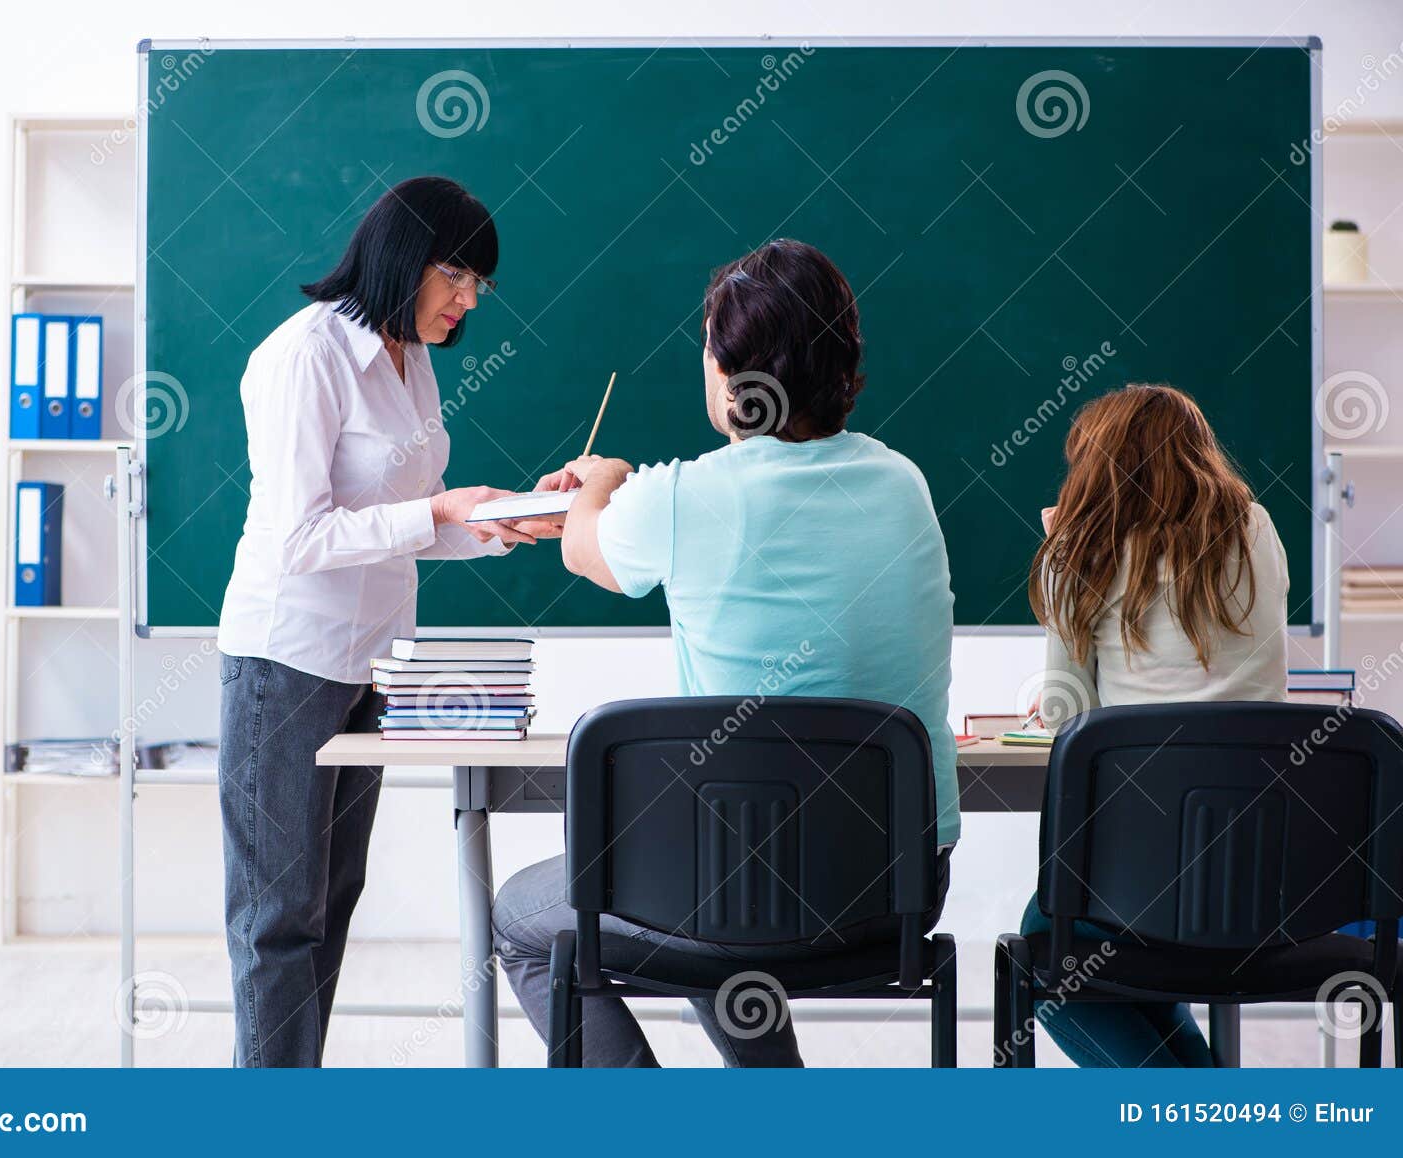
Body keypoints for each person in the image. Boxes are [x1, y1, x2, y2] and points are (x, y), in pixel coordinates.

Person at [490, 238, 961, 1067]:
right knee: (719, 875)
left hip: (729, 886)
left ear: (731, 375)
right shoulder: (906, 483)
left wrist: (606, 476)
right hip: (893, 889)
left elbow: (582, 548)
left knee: (534, 921)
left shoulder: (682, 497)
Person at [215, 176, 554, 1067]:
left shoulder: (412, 357)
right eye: (457, 275)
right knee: (277, 918)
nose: (468, 300)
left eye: (479, 283)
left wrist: (494, 525)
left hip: (370, 663)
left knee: (330, 900)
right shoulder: (307, 357)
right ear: (403, 257)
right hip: (285, 658)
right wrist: (441, 512)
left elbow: (399, 530)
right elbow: (300, 539)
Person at [1021, 383, 1290, 1068]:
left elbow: (1067, 720)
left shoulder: (1084, 553)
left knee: (1044, 943)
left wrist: (1062, 560)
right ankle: (1209, 1117)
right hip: (1270, 874)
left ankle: (1189, 1117)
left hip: (1142, 877)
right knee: (1128, 953)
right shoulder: (1257, 527)